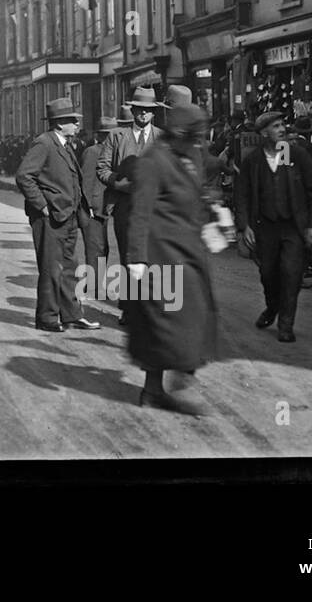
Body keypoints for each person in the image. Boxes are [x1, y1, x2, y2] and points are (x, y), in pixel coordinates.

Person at [128, 103, 218, 413]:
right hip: (161, 256)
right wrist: (136, 260)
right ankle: (173, 387)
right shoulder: (153, 162)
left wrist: (212, 210)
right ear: (178, 134)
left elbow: (196, 190)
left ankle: (156, 389)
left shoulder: (187, 154)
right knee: (169, 323)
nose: (198, 144)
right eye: (193, 137)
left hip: (188, 251)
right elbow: (139, 212)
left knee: (188, 319)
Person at [234, 111, 312, 343]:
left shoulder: (296, 156)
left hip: (293, 227)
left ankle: (286, 324)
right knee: (268, 273)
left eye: (283, 124)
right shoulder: (253, 161)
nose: (282, 129)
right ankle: (272, 307)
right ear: (264, 133)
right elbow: (242, 195)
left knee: (291, 274)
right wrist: (244, 226)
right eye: (276, 126)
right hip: (265, 227)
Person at [14, 98, 100, 333]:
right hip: (50, 218)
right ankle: (47, 318)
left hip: (68, 217)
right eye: (73, 121)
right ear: (60, 123)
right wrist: (42, 205)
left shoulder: (65, 144)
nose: (77, 124)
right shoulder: (44, 143)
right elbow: (24, 176)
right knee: (52, 269)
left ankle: (72, 315)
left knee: (70, 267)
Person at [98, 87, 165, 325]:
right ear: (133, 110)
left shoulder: (161, 138)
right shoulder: (117, 136)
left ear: (153, 113)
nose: (143, 114)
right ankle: (129, 308)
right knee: (129, 257)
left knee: (152, 258)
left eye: (148, 110)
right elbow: (102, 168)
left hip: (153, 209)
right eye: (140, 109)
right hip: (125, 206)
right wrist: (118, 183)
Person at [79, 117, 117, 281]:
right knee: (95, 248)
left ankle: (96, 282)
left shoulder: (111, 152)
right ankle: (93, 285)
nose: (110, 138)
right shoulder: (92, 152)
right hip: (93, 209)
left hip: (103, 207)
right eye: (106, 135)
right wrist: (88, 208)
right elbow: (86, 182)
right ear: (99, 136)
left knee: (103, 248)